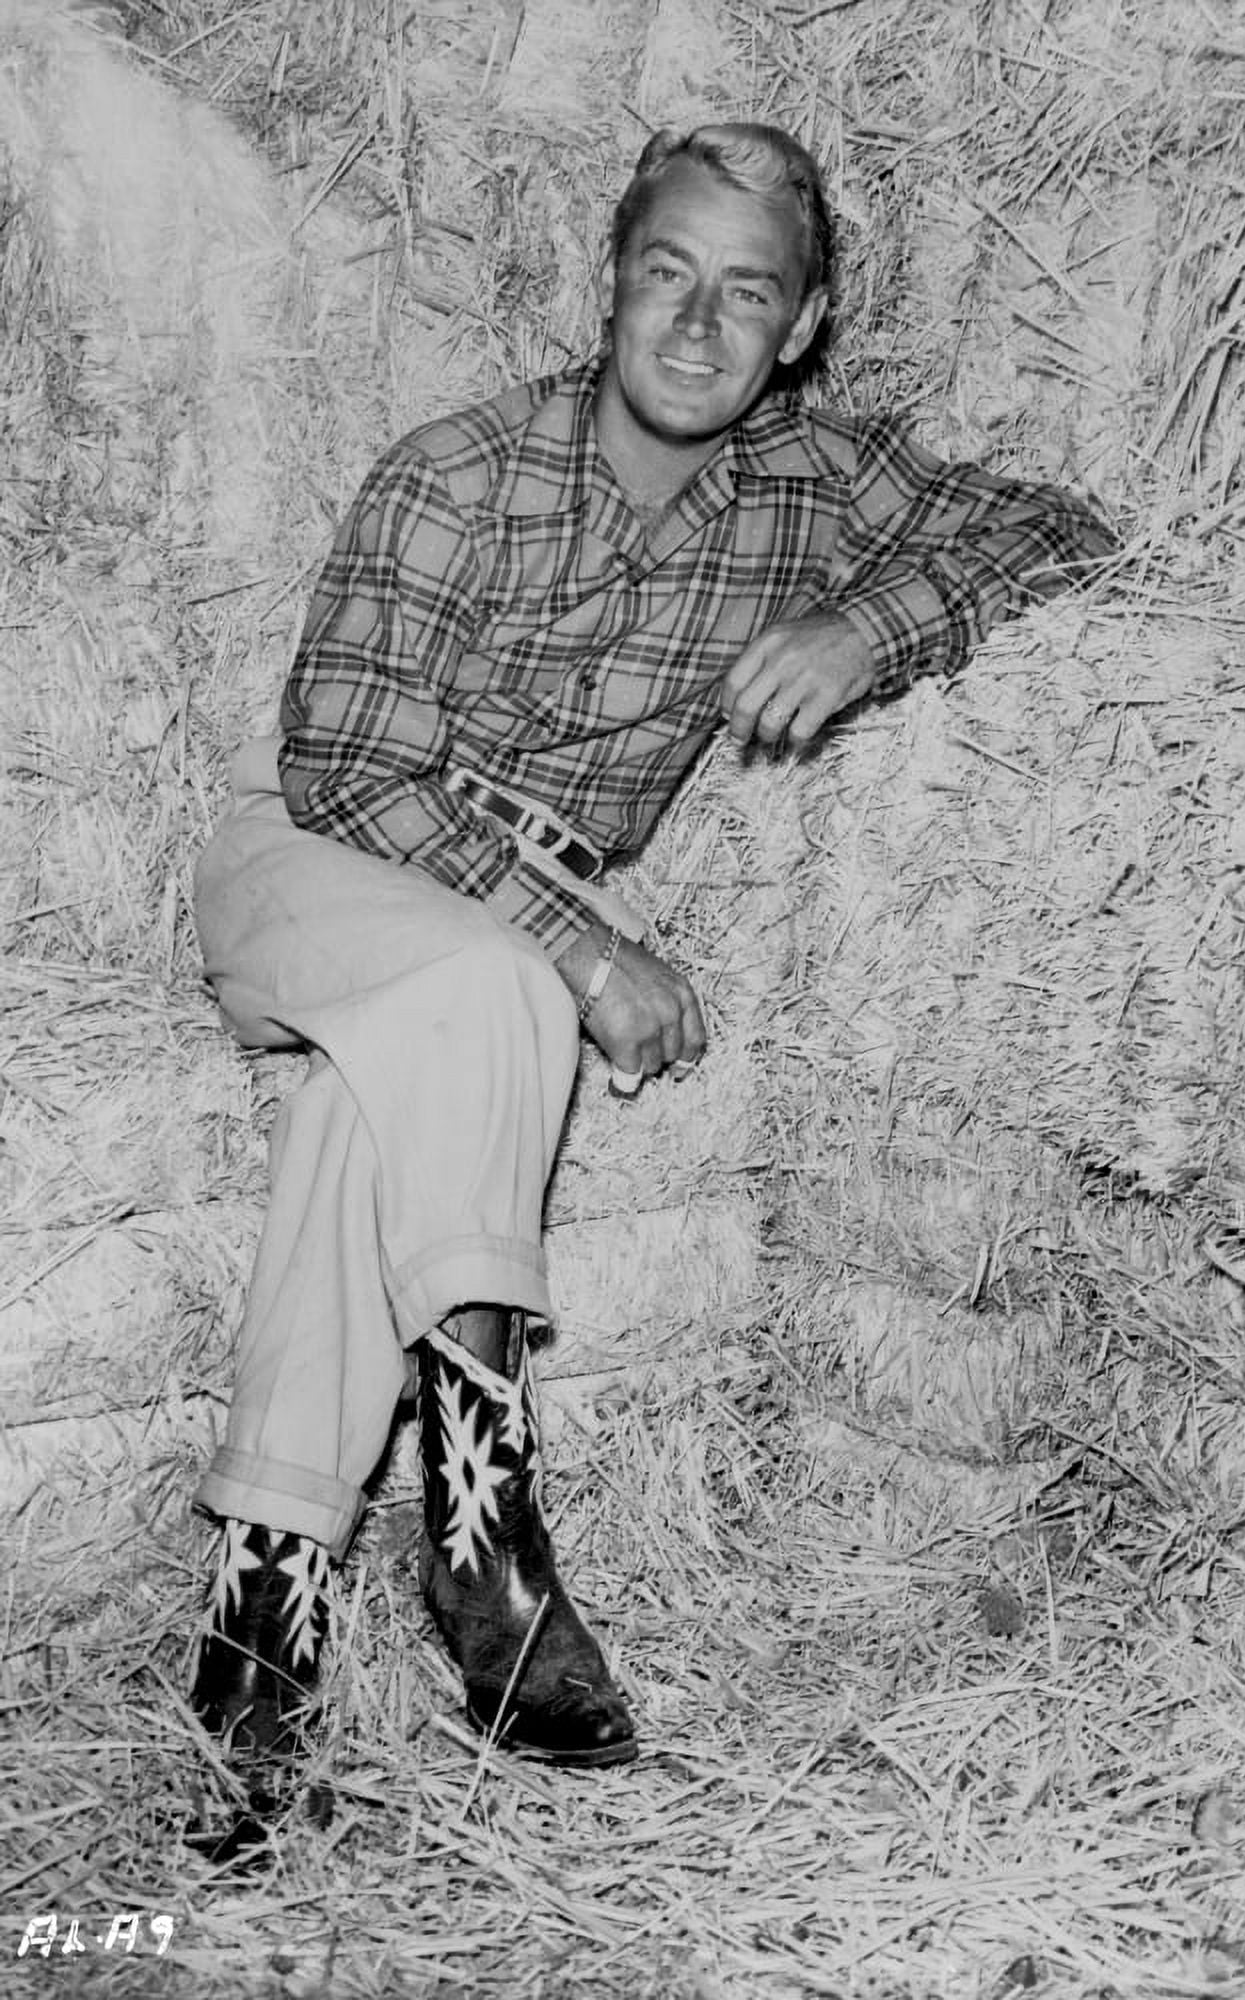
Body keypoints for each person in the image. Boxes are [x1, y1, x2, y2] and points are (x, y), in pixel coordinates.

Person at [186, 121, 1111, 1846]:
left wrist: (871, 623)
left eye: (745, 292)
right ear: (611, 281)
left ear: (805, 320)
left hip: (465, 936)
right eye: (666, 275)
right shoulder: (459, 469)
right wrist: (582, 943)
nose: (696, 327)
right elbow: (354, 773)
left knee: (371, 1095)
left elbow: (1054, 528)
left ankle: (262, 1621)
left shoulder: (816, 483)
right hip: (317, 853)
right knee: (503, 992)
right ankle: (489, 1536)